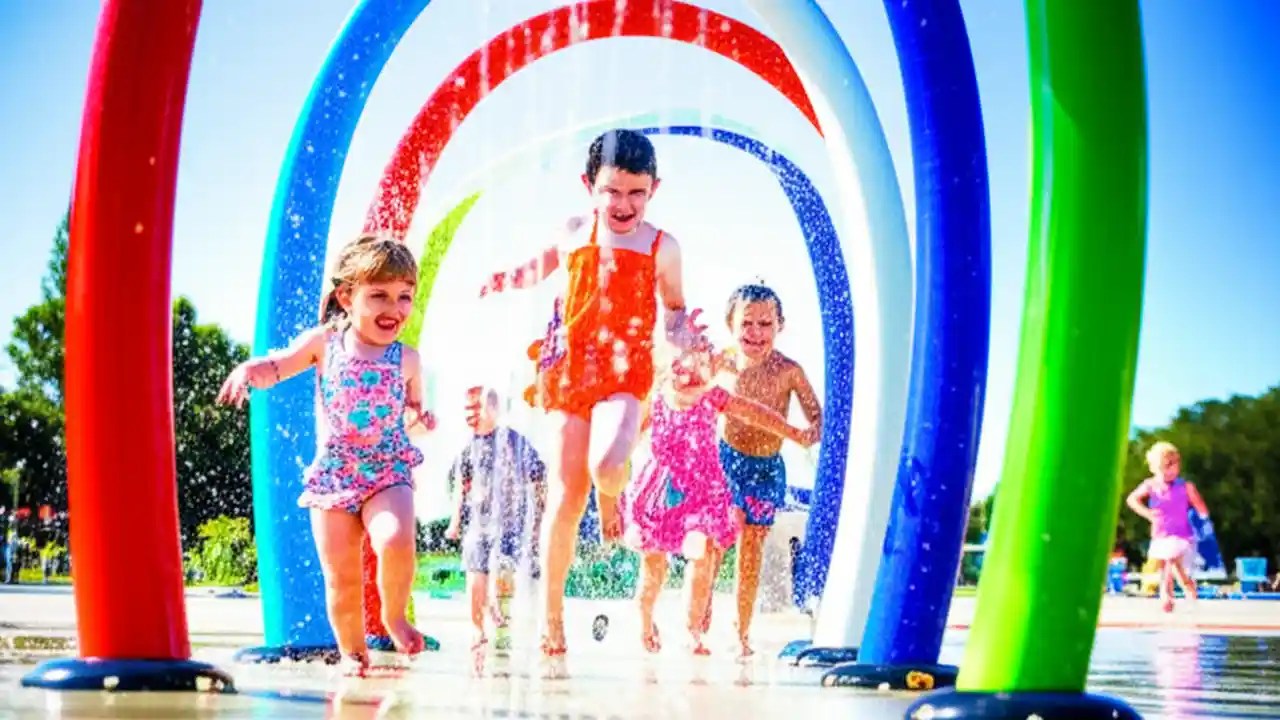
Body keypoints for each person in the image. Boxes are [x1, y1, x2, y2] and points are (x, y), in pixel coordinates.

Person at [479, 129, 706, 655]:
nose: (623, 204)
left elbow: (673, 312)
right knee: (564, 496)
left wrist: (687, 336)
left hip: (626, 370)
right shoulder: (574, 232)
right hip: (567, 369)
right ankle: (551, 616)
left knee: (607, 466)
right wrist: (505, 279)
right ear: (589, 186)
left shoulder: (661, 246)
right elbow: (541, 267)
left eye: (636, 193)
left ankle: (612, 497)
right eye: (611, 191)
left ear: (654, 189)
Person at [217, 234, 433, 673]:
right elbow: (279, 366)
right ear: (347, 297)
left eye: (404, 296)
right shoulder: (325, 343)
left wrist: (418, 421)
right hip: (334, 476)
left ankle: (393, 615)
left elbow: (412, 409)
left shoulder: (407, 359)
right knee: (342, 579)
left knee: (394, 538)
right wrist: (249, 370)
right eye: (379, 296)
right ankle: (353, 654)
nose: (394, 308)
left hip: (387, 469)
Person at [622, 345, 816, 655]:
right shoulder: (655, 399)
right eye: (684, 371)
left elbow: (756, 414)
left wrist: (795, 434)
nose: (692, 381)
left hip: (701, 490)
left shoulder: (713, 397)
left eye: (701, 370)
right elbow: (625, 438)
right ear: (670, 371)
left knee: (704, 557)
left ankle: (693, 630)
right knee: (653, 569)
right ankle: (645, 621)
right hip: (661, 492)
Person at [717, 283, 822, 657]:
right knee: (721, 533)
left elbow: (817, 416)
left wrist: (812, 432)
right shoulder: (720, 362)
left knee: (752, 548)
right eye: (747, 323)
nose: (756, 332)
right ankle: (699, 621)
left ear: (780, 326)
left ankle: (741, 631)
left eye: (766, 323)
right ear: (730, 323)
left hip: (766, 469)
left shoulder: (790, 371)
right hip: (725, 462)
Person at [445, 385, 547, 651]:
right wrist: (455, 522)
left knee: (505, 576)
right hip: (477, 526)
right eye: (466, 410)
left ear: (494, 410)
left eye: (476, 408)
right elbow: (460, 485)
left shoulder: (515, 441)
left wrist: (538, 521)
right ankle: (477, 629)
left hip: (510, 525)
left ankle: (502, 619)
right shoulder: (467, 447)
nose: (470, 414)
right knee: (474, 579)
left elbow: (539, 479)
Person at [1126, 441, 1210, 613]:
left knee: (1170, 559)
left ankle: (1166, 595)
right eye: (1167, 465)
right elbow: (1132, 499)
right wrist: (1148, 513)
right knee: (1175, 568)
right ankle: (1189, 587)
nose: (1172, 469)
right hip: (1161, 534)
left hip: (1182, 535)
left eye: (1175, 464)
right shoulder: (1150, 485)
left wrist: (1203, 522)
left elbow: (1201, 507)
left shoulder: (1185, 486)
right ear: (1155, 468)